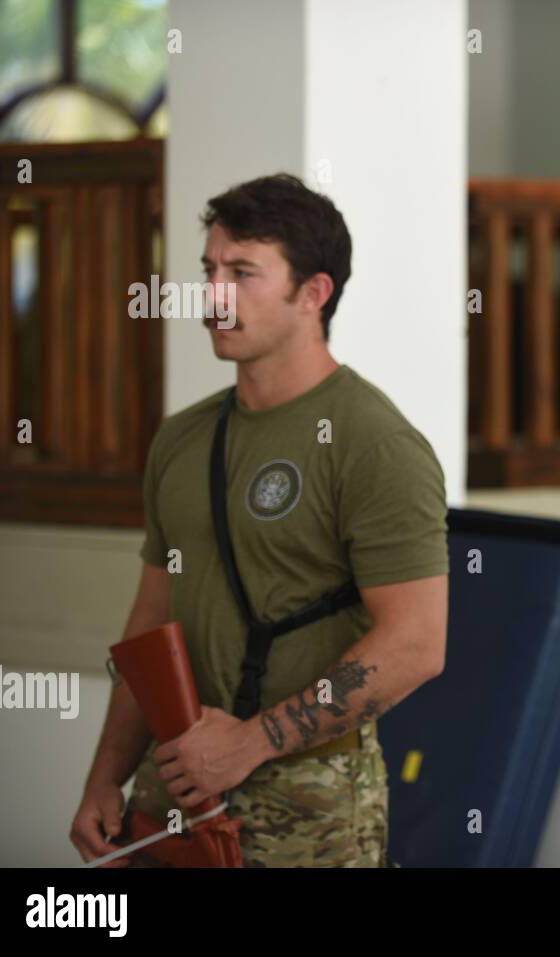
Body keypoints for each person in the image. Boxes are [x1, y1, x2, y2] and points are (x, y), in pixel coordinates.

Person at [69, 174, 449, 867]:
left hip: (310, 801)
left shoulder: (375, 443)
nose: (214, 292)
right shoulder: (180, 440)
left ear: (314, 293)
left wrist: (250, 742)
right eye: (209, 269)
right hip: (177, 785)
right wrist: (106, 775)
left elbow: (417, 643)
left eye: (243, 272)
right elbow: (150, 627)